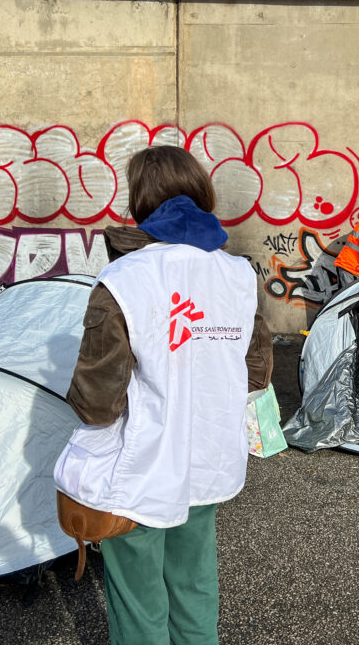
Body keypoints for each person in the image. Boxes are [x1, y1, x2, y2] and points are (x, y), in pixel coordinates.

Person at [54, 146, 272, 645]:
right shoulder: (238, 274)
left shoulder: (124, 279)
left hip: (143, 466)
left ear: (140, 202)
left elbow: (97, 401)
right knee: (195, 586)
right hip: (211, 459)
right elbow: (256, 374)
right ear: (201, 191)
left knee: (138, 600)